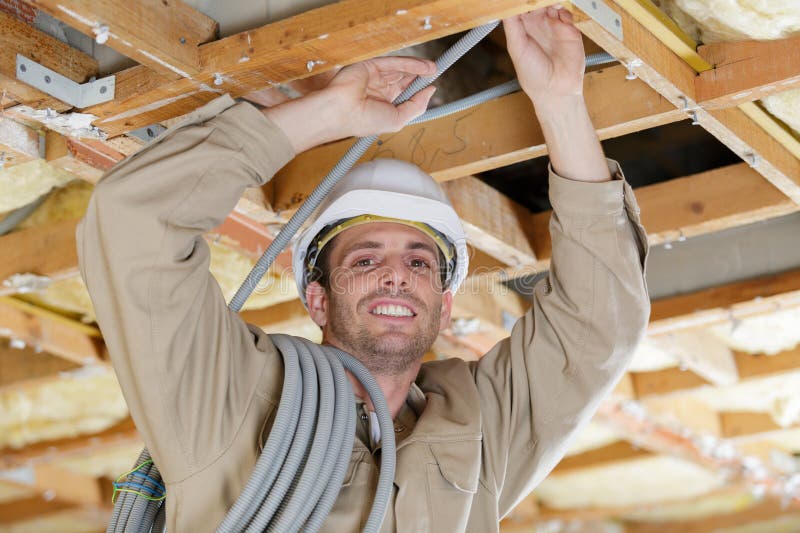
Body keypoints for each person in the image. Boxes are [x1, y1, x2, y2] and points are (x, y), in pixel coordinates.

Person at [78, 7, 649, 532]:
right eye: (366, 258)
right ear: (318, 298)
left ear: (446, 303)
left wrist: (560, 100)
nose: (396, 275)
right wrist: (328, 113)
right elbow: (135, 222)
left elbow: (598, 324)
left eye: (420, 261)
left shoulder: (478, 432)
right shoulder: (227, 396)